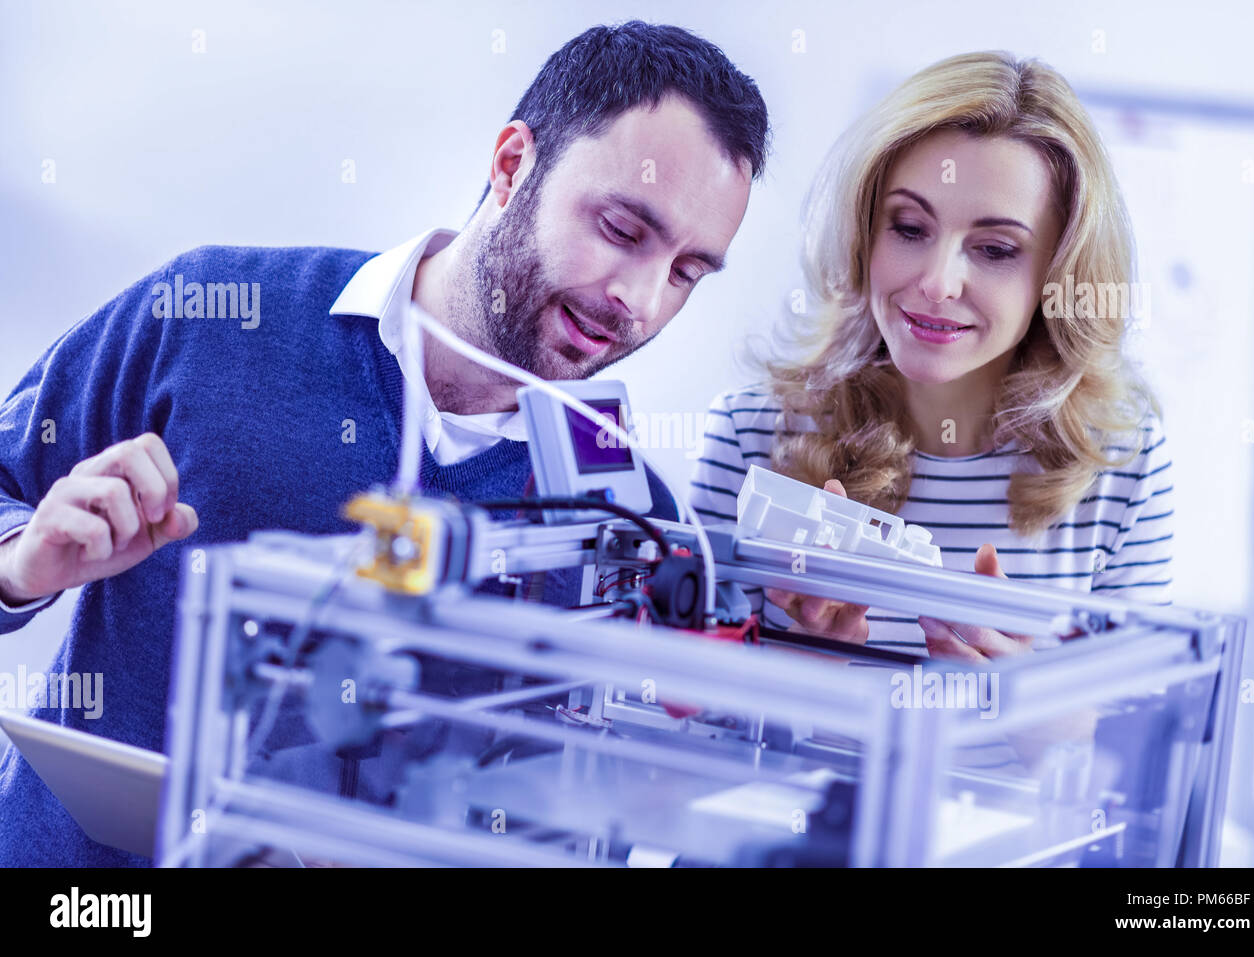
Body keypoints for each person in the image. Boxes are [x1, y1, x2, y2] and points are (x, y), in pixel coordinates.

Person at [0, 21, 769, 866]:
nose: (642, 301)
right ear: (512, 165)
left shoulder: (633, 526)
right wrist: (19, 564)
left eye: (687, 272)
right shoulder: (212, 315)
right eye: (622, 230)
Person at [691, 51, 1173, 661]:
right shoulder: (748, 435)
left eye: (995, 249)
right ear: (865, 233)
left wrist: (1032, 700)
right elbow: (673, 705)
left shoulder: (1123, 463)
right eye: (910, 228)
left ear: (1059, 273)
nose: (938, 283)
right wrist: (808, 666)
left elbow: (1139, 722)